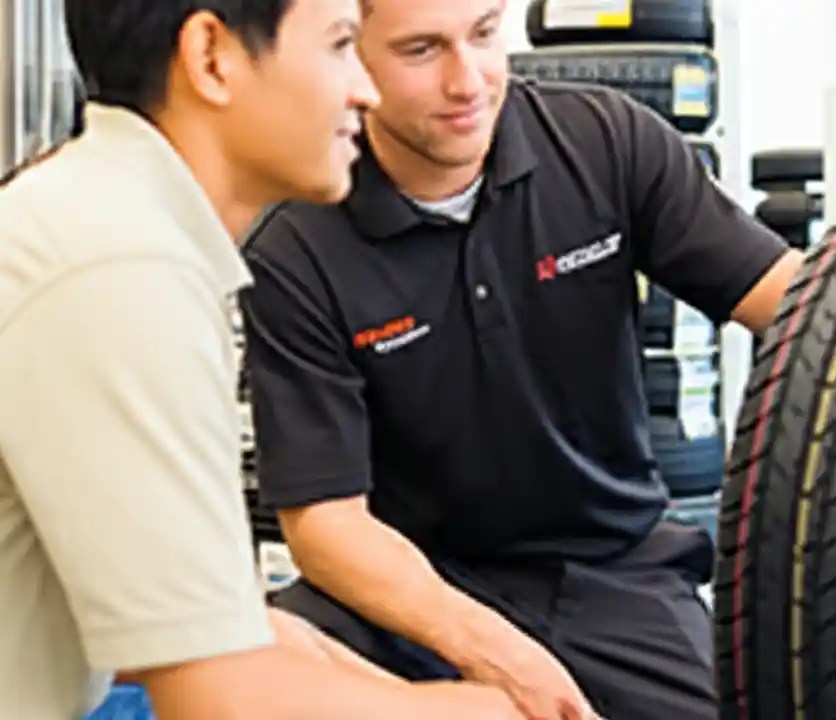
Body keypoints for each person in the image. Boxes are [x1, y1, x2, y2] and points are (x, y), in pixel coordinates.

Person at [238, 1, 836, 719]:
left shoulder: (605, 142)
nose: (468, 81)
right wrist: (497, 655)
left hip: (611, 575)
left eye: (484, 33)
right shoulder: (298, 245)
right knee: (253, 682)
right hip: (415, 590)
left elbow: (799, 309)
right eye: (421, 50)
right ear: (351, 55)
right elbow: (327, 525)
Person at [0, 0, 521, 718]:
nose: (364, 90)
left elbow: (168, 625)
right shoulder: (117, 267)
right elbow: (222, 700)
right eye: (339, 45)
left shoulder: (105, 220)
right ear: (212, 58)